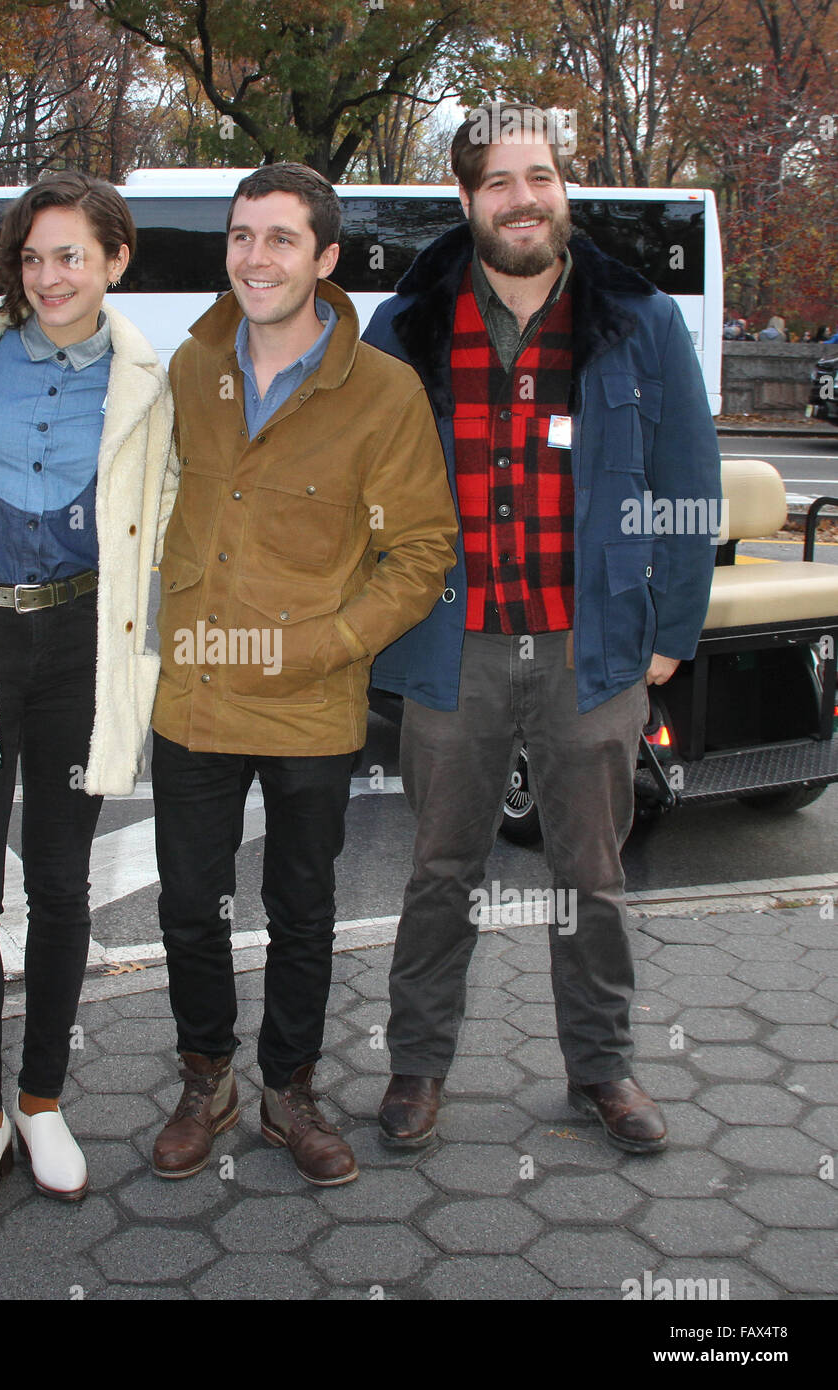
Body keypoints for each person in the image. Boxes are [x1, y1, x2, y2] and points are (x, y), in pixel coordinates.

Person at [362, 103, 722, 1155]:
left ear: (563, 189)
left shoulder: (637, 319)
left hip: (590, 648)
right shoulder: (408, 325)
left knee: (591, 878)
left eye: (541, 177)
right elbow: (361, 485)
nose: (523, 198)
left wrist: (669, 632)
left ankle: (600, 1068)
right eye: (499, 181)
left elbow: (685, 484)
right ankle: (416, 1068)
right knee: (437, 875)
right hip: (450, 647)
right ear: (466, 200)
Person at [149, 163, 458, 1187]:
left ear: (324, 259)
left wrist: (326, 644)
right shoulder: (192, 368)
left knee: (302, 908)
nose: (254, 257)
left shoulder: (381, 391)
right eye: (241, 236)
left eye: (280, 239)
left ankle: (290, 1089)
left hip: (310, 697)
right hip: (194, 691)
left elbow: (417, 554)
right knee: (188, 905)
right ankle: (207, 1080)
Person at [0, 172, 177, 1225]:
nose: (49, 275)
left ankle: (41, 1100)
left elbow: (171, 510)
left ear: (115, 260)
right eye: (33, 256)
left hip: (79, 646)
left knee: (62, 886)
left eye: (72, 255)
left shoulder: (147, 378)